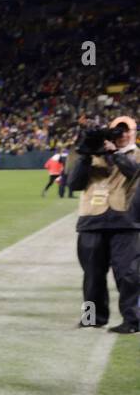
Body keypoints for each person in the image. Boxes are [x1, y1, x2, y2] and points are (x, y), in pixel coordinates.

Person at [66, 115, 139, 333]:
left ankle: (133, 321)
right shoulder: (94, 155)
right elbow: (74, 183)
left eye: (127, 130)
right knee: (91, 276)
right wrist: (85, 156)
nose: (123, 135)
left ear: (135, 132)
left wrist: (114, 154)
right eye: (118, 130)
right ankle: (91, 318)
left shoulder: (136, 155)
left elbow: (134, 173)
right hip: (92, 221)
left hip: (126, 222)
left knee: (129, 275)